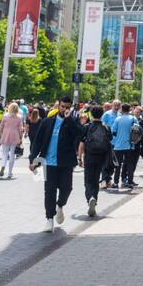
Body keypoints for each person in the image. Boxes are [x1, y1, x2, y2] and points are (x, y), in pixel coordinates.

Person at [28, 96, 84, 232]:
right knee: (49, 192)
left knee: (67, 188)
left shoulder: (72, 122)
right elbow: (37, 142)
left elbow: (80, 133)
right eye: (63, 106)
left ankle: (60, 205)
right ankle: (49, 219)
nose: (65, 109)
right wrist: (32, 160)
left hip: (66, 162)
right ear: (58, 106)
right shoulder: (47, 122)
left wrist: (69, 119)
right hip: (48, 162)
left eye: (67, 107)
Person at [79, 105, 113, 218]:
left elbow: (81, 144)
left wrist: (79, 158)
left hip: (89, 156)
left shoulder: (87, 127)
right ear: (102, 114)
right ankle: (94, 198)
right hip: (101, 157)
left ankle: (90, 198)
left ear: (91, 114)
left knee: (88, 180)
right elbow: (110, 141)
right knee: (96, 179)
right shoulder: (106, 127)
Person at [109, 104, 138, 190]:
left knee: (118, 165)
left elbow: (113, 131)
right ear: (129, 109)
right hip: (130, 145)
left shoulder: (118, 119)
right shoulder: (133, 119)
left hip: (118, 146)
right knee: (129, 165)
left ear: (122, 109)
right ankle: (129, 182)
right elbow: (138, 130)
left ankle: (116, 182)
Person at [0, 102, 23, 179]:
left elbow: (1, 127)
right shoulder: (19, 117)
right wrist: (20, 138)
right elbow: (20, 129)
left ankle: (3, 165)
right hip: (15, 136)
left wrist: (1, 134)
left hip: (5, 135)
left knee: (4, 153)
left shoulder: (5, 116)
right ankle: (9, 172)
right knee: (12, 154)